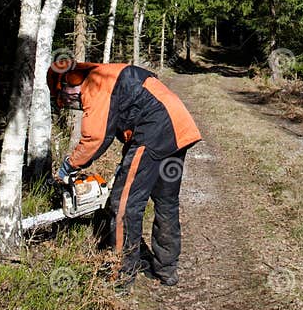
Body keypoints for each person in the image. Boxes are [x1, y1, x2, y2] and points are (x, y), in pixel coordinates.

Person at [46, 60, 202, 290]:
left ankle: (120, 275)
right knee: (166, 201)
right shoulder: (109, 74)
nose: (71, 102)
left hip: (154, 132)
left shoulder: (95, 84)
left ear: (69, 82)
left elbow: (96, 138)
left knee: (123, 205)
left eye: (65, 97)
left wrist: (69, 165)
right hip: (177, 128)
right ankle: (166, 269)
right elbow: (131, 116)